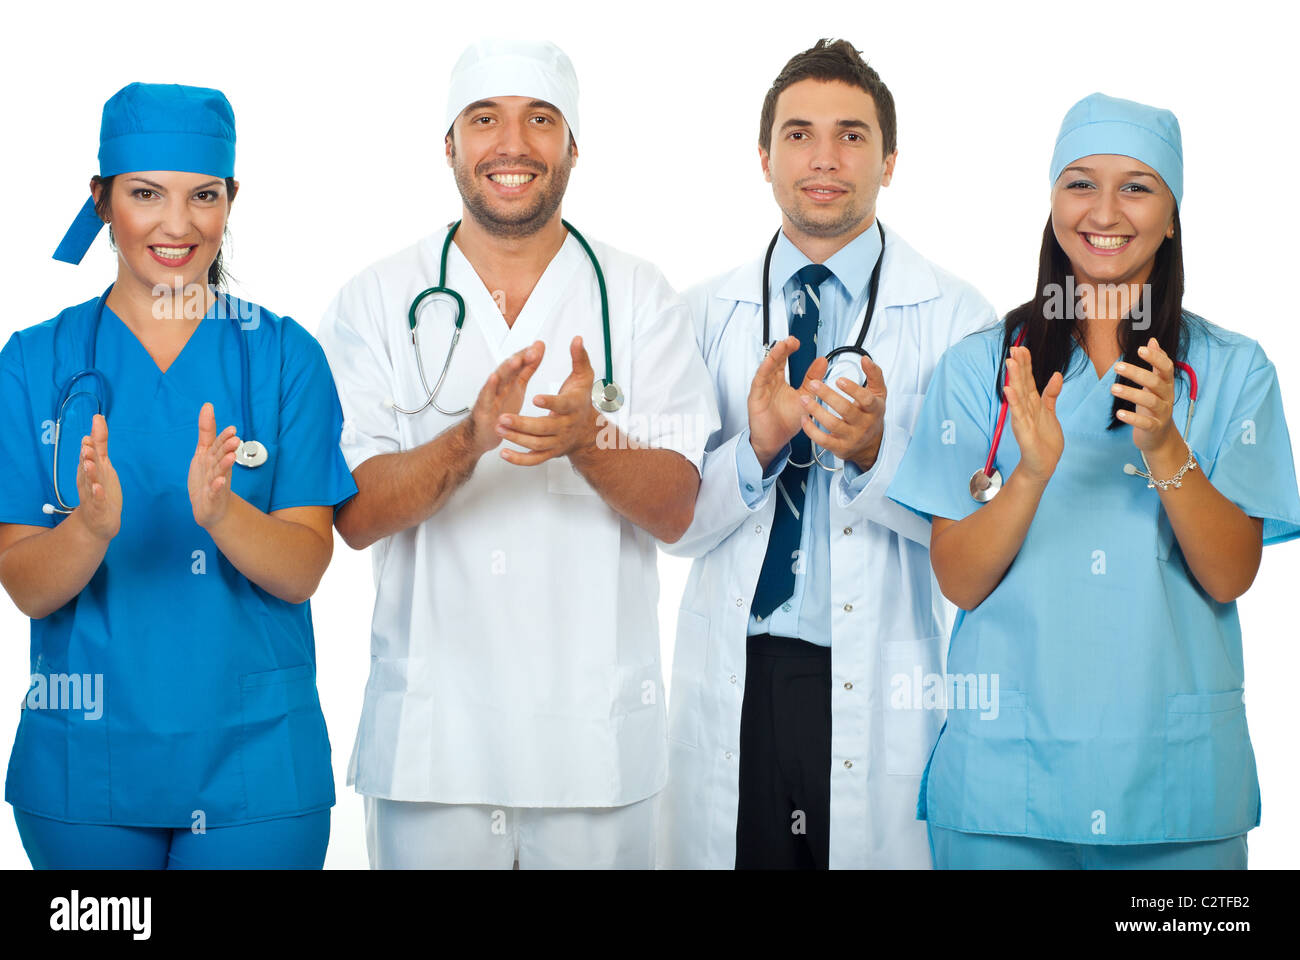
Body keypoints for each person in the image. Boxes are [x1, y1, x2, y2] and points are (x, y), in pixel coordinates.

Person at [315, 38, 718, 870]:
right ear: (450, 145)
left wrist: (588, 441)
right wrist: (466, 442)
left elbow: (681, 508)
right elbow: (352, 515)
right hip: (435, 750)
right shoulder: (378, 298)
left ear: (573, 147)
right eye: (485, 119)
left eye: (541, 120)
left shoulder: (638, 296)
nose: (513, 144)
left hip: (593, 747)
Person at [886, 92, 1300, 869]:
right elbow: (960, 580)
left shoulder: (1236, 369)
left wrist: (1166, 446)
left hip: (1172, 792)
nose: (1104, 209)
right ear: (1052, 204)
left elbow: (1231, 572)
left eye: (1136, 186)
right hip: (1006, 789)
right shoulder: (985, 366)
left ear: (1172, 215)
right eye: (1079, 183)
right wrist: (1030, 476)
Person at [657, 39, 997, 869]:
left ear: (890, 160)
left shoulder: (960, 319)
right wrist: (758, 448)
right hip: (742, 679)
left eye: (852, 135)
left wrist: (882, 451)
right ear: (764, 156)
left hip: (881, 674)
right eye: (800, 133)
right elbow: (670, 523)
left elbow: (982, 530)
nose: (824, 157)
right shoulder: (697, 313)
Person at [0, 83, 356, 869]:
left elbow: (303, 570)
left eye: (203, 195)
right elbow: (27, 586)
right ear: (101, 201)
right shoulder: (31, 363)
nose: (176, 224)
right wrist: (90, 531)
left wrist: (225, 516)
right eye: (144, 194)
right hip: (86, 771)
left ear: (231, 200)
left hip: (255, 766)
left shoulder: (284, 357)